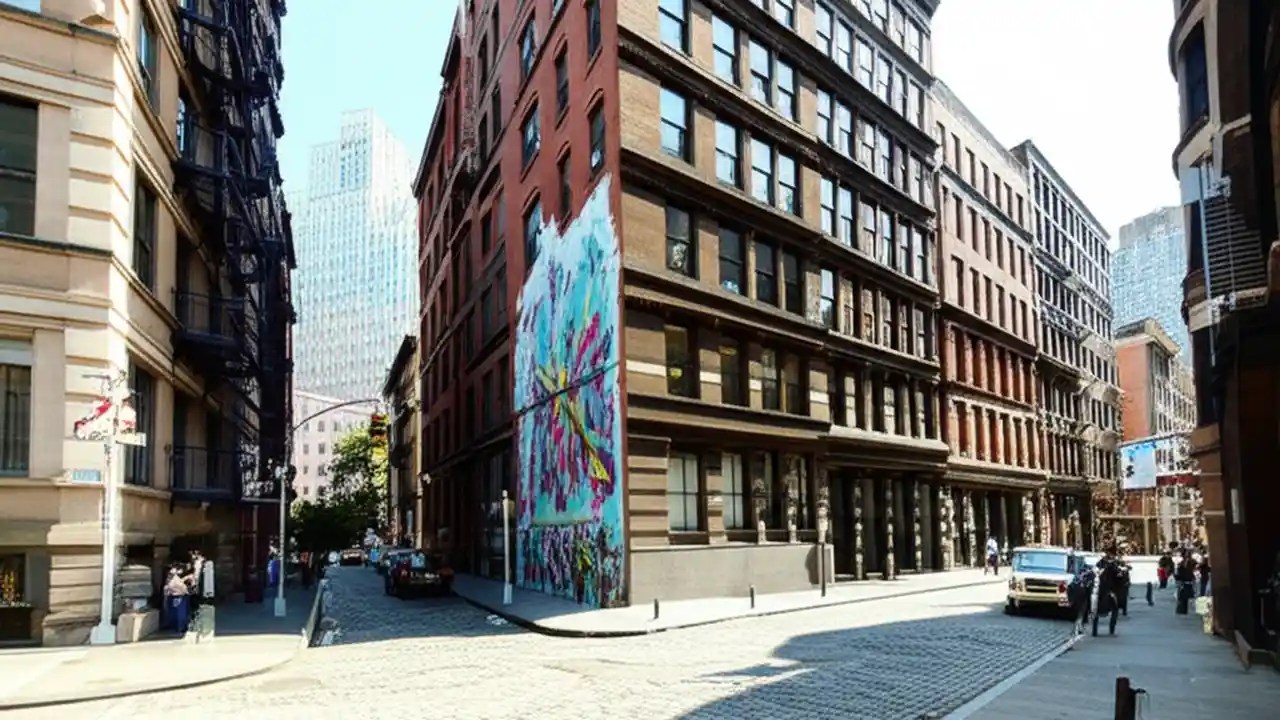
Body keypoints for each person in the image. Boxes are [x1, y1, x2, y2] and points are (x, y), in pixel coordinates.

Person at [165, 566, 190, 634]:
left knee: (180, 613)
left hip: (179, 597)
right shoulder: (173, 579)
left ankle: (180, 628)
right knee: (179, 613)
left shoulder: (173, 579)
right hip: (178, 597)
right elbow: (179, 587)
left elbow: (172, 587)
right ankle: (180, 628)